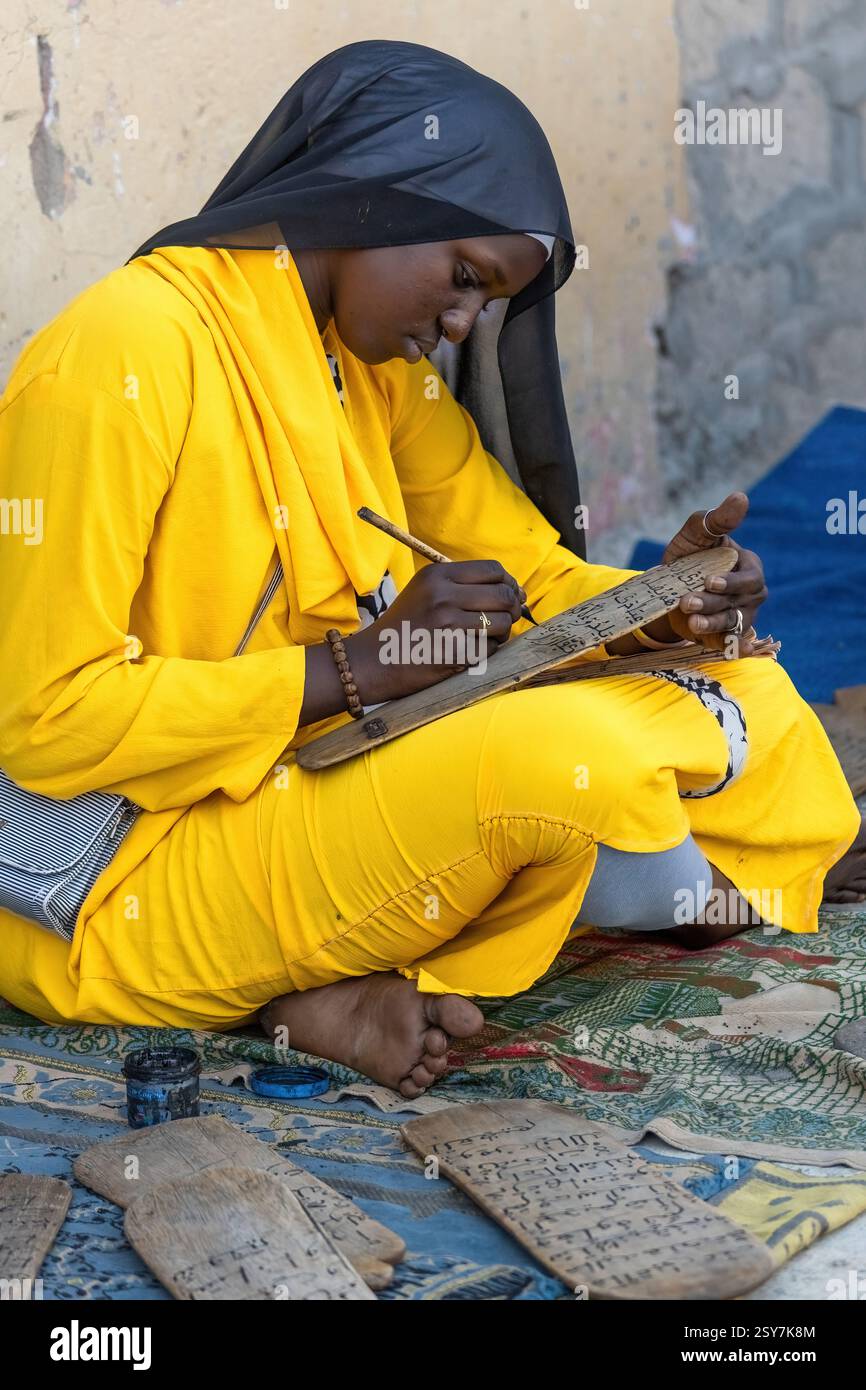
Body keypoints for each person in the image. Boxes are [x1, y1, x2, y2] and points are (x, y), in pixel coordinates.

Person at [0, 42, 861, 1099]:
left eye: (482, 301)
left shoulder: (374, 380)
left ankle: (321, 981)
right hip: (121, 874)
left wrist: (660, 607)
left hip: (323, 788)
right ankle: (342, 966)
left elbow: (534, 578)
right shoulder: (123, 350)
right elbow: (46, 720)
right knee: (558, 760)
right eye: (462, 278)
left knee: (746, 687)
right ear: (365, 192)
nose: (458, 325)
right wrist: (355, 669)